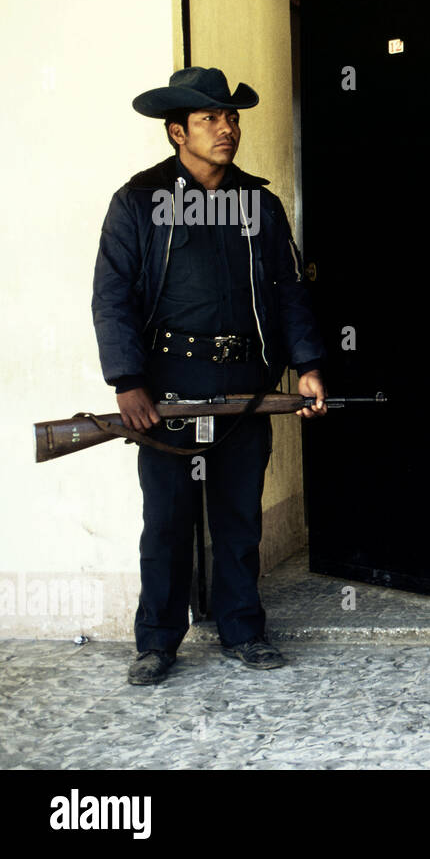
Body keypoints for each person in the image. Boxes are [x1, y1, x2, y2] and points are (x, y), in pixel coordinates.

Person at [92, 67, 327, 686]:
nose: (227, 129)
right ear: (176, 132)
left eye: (231, 118)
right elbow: (111, 296)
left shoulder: (261, 203)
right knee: (166, 517)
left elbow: (290, 293)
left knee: (238, 516)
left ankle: (243, 630)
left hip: (247, 382)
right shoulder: (137, 202)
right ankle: (158, 641)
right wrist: (126, 380)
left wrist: (307, 366)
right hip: (166, 383)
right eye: (209, 119)